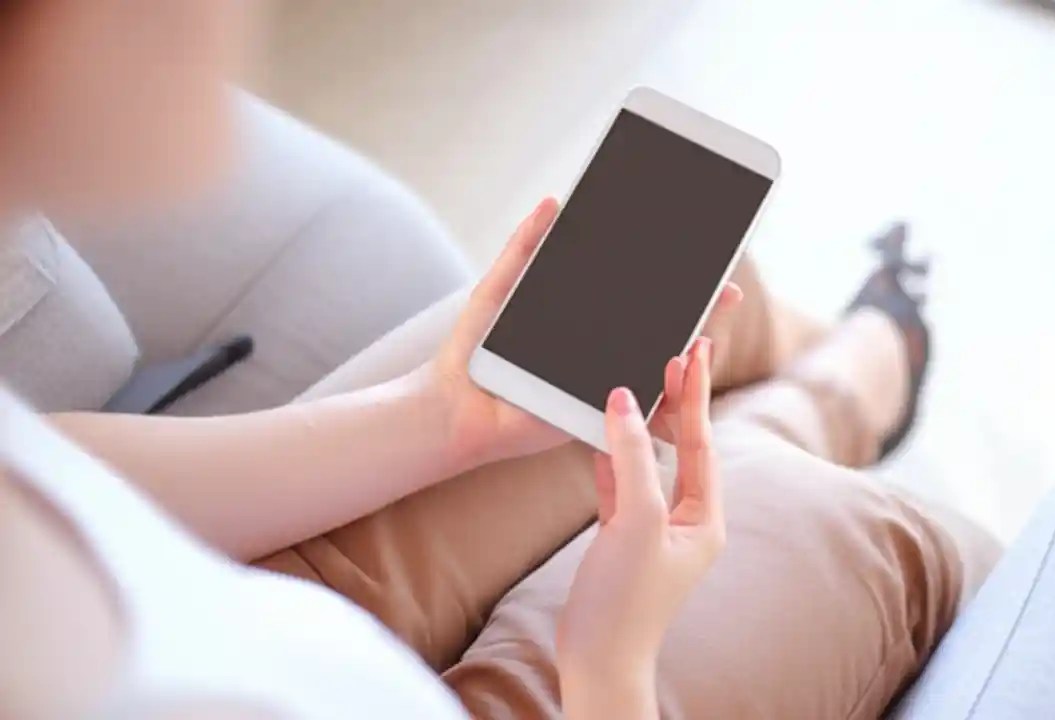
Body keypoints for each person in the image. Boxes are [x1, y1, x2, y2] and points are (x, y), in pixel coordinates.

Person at [0, 2, 999, 719]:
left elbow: (45, 469)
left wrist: (430, 420)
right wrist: (609, 669)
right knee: (853, 524)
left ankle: (840, 372)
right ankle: (851, 382)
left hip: (210, 588)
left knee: (650, 330)